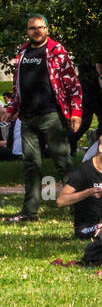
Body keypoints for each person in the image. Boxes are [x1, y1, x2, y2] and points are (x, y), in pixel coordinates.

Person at [5, 15, 82, 223]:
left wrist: (76, 112)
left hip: (51, 116)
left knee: (63, 163)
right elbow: (17, 86)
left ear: (47, 29)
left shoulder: (57, 51)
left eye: (40, 27)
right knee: (31, 165)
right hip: (27, 118)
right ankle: (29, 212)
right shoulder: (22, 52)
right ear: (27, 31)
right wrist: (12, 108)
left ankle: (79, 210)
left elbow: (73, 85)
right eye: (32, 28)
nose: (36, 31)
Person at [56, 127, 102, 242]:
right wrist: (87, 192)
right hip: (87, 227)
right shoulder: (84, 171)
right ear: (101, 147)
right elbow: (61, 201)